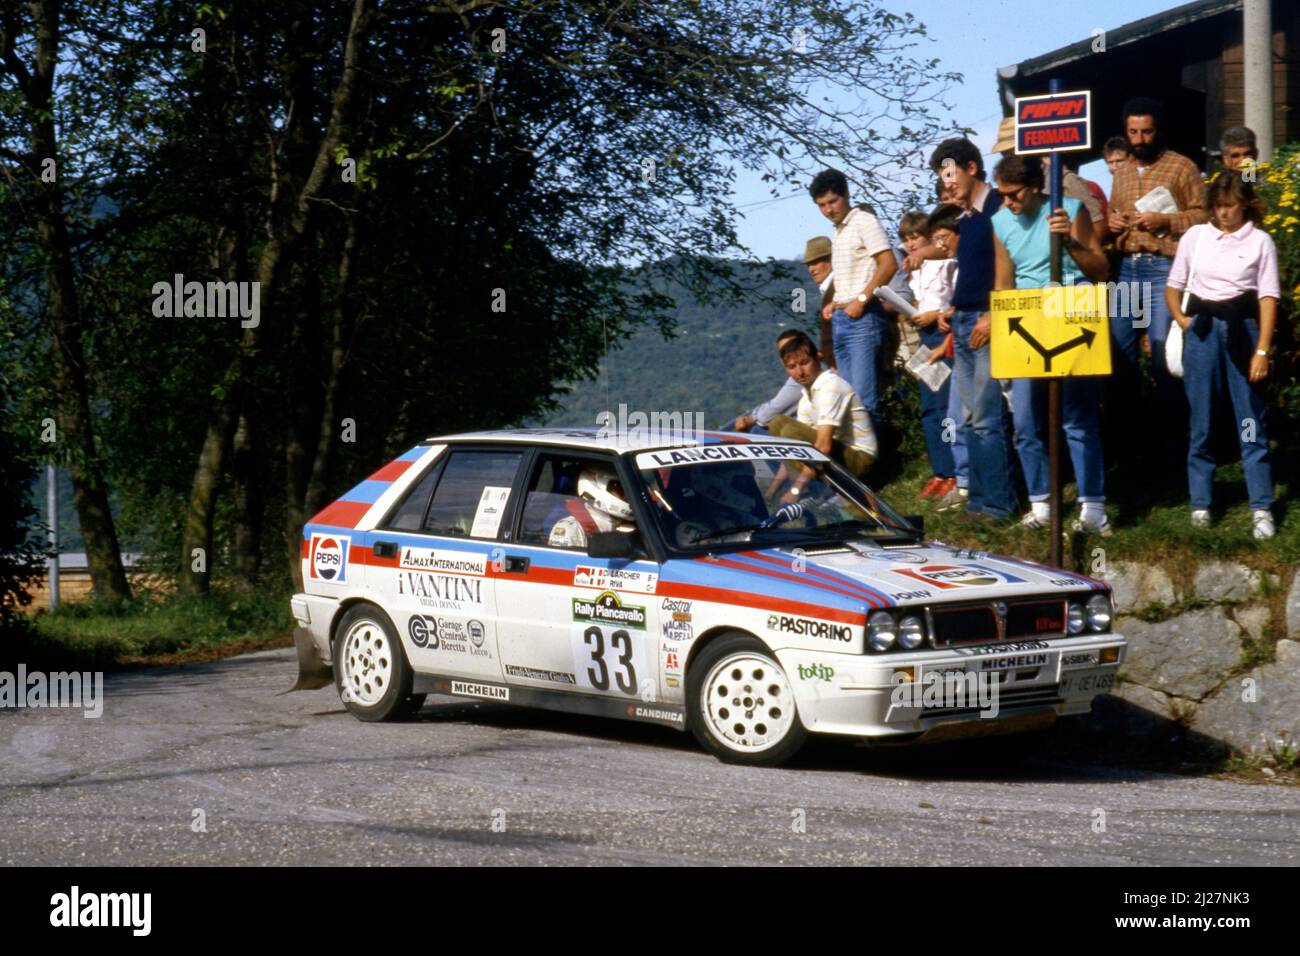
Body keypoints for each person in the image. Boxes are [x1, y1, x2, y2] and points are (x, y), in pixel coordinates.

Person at [990, 154, 1112, 534]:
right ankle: (1041, 502)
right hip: (1024, 316)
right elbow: (1003, 281)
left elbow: (1101, 268)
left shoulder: (1070, 210)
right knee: (1025, 418)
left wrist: (1070, 242)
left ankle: (1092, 506)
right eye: (1001, 194)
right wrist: (1001, 340)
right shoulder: (999, 221)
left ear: (1033, 188)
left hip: (1070, 306)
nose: (1007, 202)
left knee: (1078, 416)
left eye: (1012, 195)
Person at [1165, 176, 1279, 538]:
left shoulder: (1261, 242)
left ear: (1244, 204)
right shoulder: (1196, 237)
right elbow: (1174, 285)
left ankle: (1260, 507)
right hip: (1203, 330)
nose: (1222, 213)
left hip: (1242, 329)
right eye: (1217, 206)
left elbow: (1267, 298)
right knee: (1202, 419)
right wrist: (1184, 322)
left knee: (1249, 420)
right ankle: (1201, 504)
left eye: (1229, 205)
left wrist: (1262, 350)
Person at [1106, 96, 1207, 448]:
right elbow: (1112, 216)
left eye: (1146, 132)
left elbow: (1203, 216)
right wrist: (1113, 221)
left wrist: (1165, 220)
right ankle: (1133, 440)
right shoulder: (1120, 172)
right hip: (1126, 269)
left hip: (1164, 268)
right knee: (1118, 355)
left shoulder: (1182, 167)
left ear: (1158, 130)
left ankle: (1175, 443)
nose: (1139, 139)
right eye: (1133, 132)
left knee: (1166, 356)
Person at [926, 137, 1016, 524]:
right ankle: (978, 502)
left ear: (972, 168)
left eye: (949, 175)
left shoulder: (997, 207)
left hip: (984, 318)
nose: (946, 185)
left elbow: (1006, 262)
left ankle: (998, 504)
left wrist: (994, 313)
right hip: (964, 318)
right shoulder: (967, 216)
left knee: (985, 417)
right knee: (966, 419)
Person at [809, 169, 897, 419]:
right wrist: (835, 303)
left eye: (833, 201)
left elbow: (889, 264)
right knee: (847, 403)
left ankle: (879, 458)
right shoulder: (839, 231)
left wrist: (860, 300)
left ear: (846, 195)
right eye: (822, 205)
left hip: (865, 318)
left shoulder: (864, 221)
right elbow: (854, 273)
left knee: (865, 403)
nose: (828, 209)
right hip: (842, 319)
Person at [899, 209, 957, 502]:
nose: (911, 244)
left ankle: (954, 471)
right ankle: (939, 471)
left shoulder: (947, 262)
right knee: (929, 409)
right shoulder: (915, 269)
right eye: (906, 239)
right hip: (925, 336)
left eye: (915, 237)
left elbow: (952, 302)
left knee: (946, 407)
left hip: (943, 333)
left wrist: (935, 316)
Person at [767, 330, 877, 480]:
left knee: (790, 431)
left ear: (817, 358)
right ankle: (805, 492)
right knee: (777, 423)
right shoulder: (806, 398)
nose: (800, 372)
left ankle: (811, 490)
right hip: (838, 454)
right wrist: (774, 489)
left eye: (804, 363)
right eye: (792, 367)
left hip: (861, 458)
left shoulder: (830, 386)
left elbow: (823, 446)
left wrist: (797, 490)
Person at [548, 466, 636, 548]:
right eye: (619, 487)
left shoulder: (633, 523)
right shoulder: (569, 529)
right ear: (596, 487)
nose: (627, 495)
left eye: (628, 489)